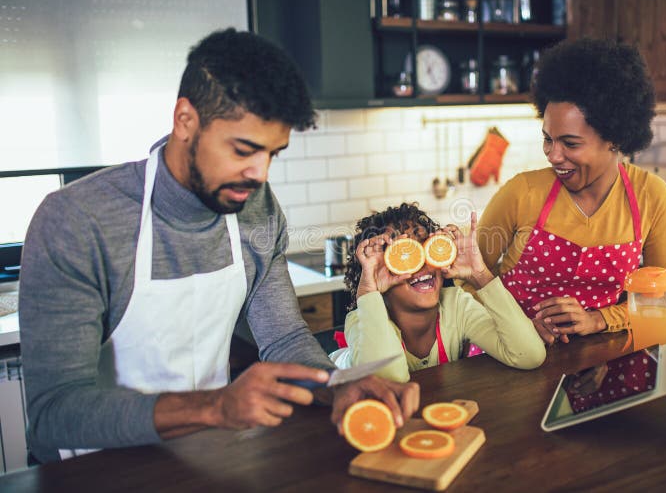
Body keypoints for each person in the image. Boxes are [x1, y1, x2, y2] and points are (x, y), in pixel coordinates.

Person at [19, 29, 418, 463]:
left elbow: (283, 337)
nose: (260, 174)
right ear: (185, 120)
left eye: (273, 153)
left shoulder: (254, 207)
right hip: (92, 469)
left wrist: (336, 385)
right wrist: (215, 406)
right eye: (244, 149)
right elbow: (53, 411)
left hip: (204, 458)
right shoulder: (78, 221)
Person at [477, 38, 666, 346]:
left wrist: (599, 320)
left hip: (601, 361)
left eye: (570, 144)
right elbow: (465, 284)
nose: (553, 155)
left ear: (613, 138)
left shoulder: (651, 196)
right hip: (508, 356)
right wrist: (516, 326)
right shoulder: (523, 193)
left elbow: (663, 298)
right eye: (548, 139)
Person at [330, 203, 546, 382]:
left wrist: (481, 275)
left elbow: (530, 355)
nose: (422, 263)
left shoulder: (456, 306)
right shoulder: (362, 321)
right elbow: (389, 380)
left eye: (425, 246)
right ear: (378, 271)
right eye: (404, 254)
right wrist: (369, 291)